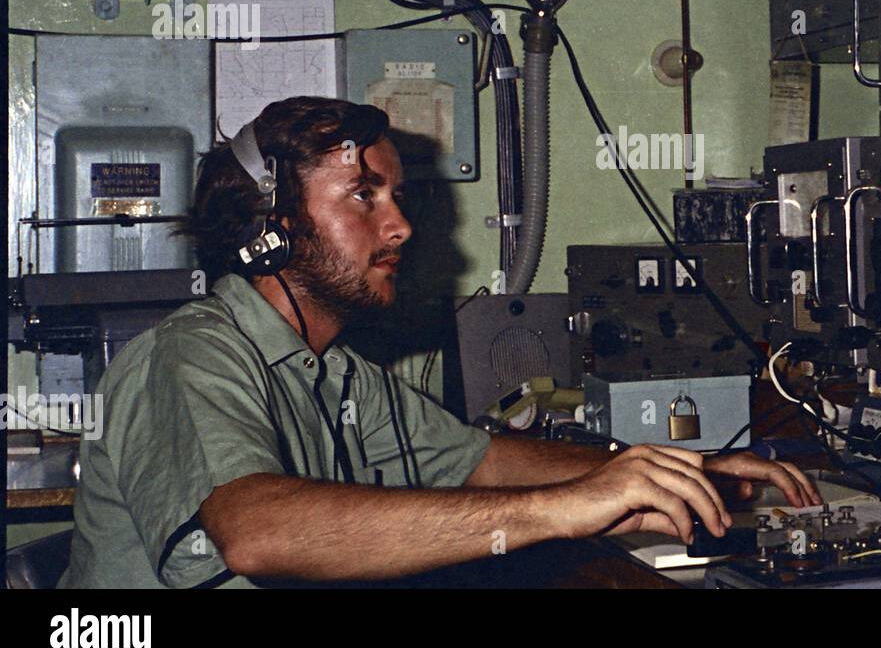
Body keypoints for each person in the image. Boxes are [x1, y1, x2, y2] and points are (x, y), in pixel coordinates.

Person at [60, 97, 818, 588]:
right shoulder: (192, 353)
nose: (401, 226)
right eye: (364, 195)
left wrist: (665, 472)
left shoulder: (338, 372)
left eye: (395, 196)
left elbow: (483, 458)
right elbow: (256, 530)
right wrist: (564, 509)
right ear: (271, 226)